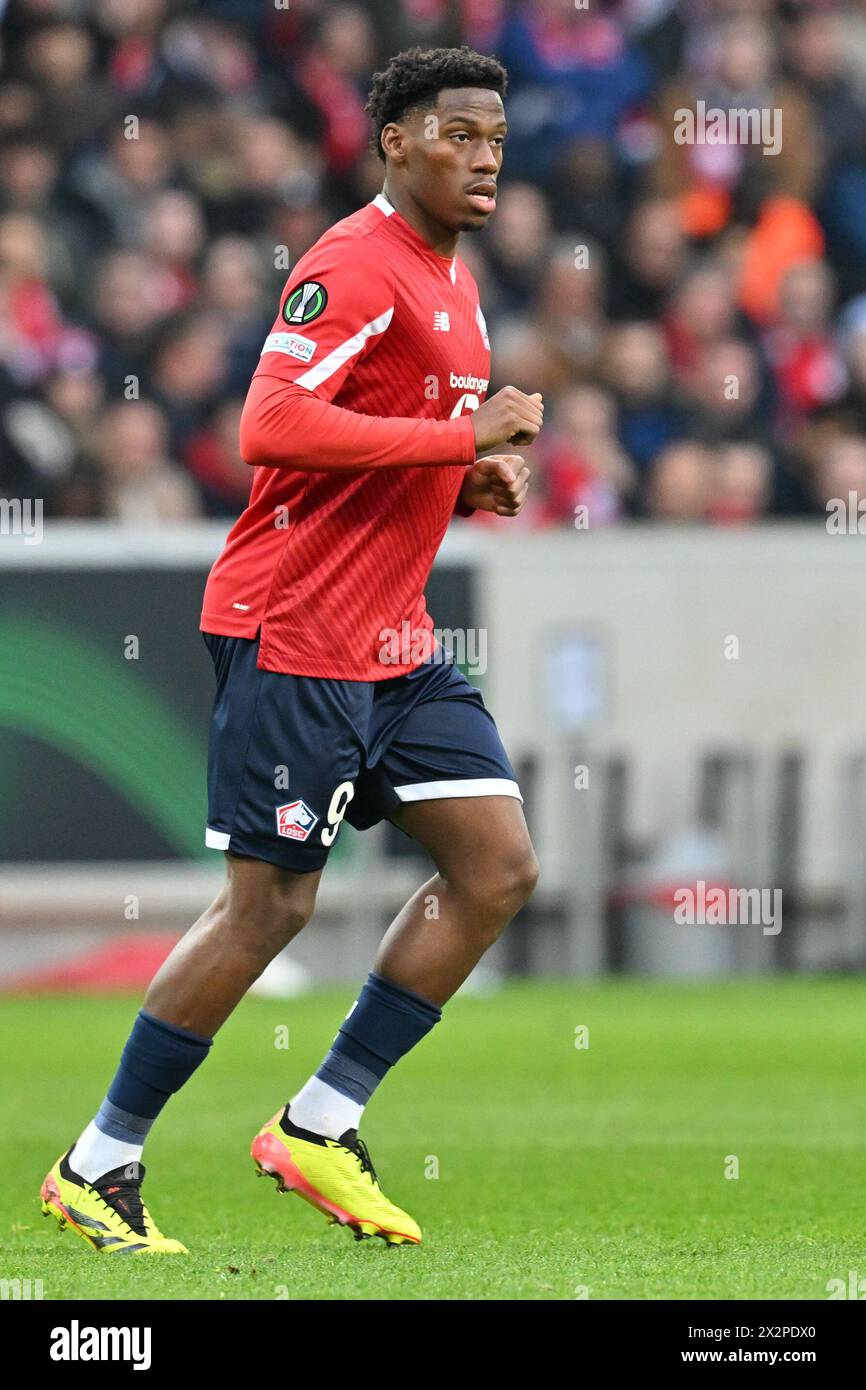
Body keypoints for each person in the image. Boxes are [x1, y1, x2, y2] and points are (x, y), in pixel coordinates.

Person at [40, 45, 543, 1253]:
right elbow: (267, 426)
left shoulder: (453, 282)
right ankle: (96, 1160)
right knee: (270, 908)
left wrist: (459, 477)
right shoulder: (352, 264)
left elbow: (385, 444)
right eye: (456, 135)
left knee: (497, 866)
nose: (483, 158)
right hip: (297, 627)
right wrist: (449, 439)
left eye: (494, 138)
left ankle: (320, 1121)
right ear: (394, 142)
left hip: (393, 637)